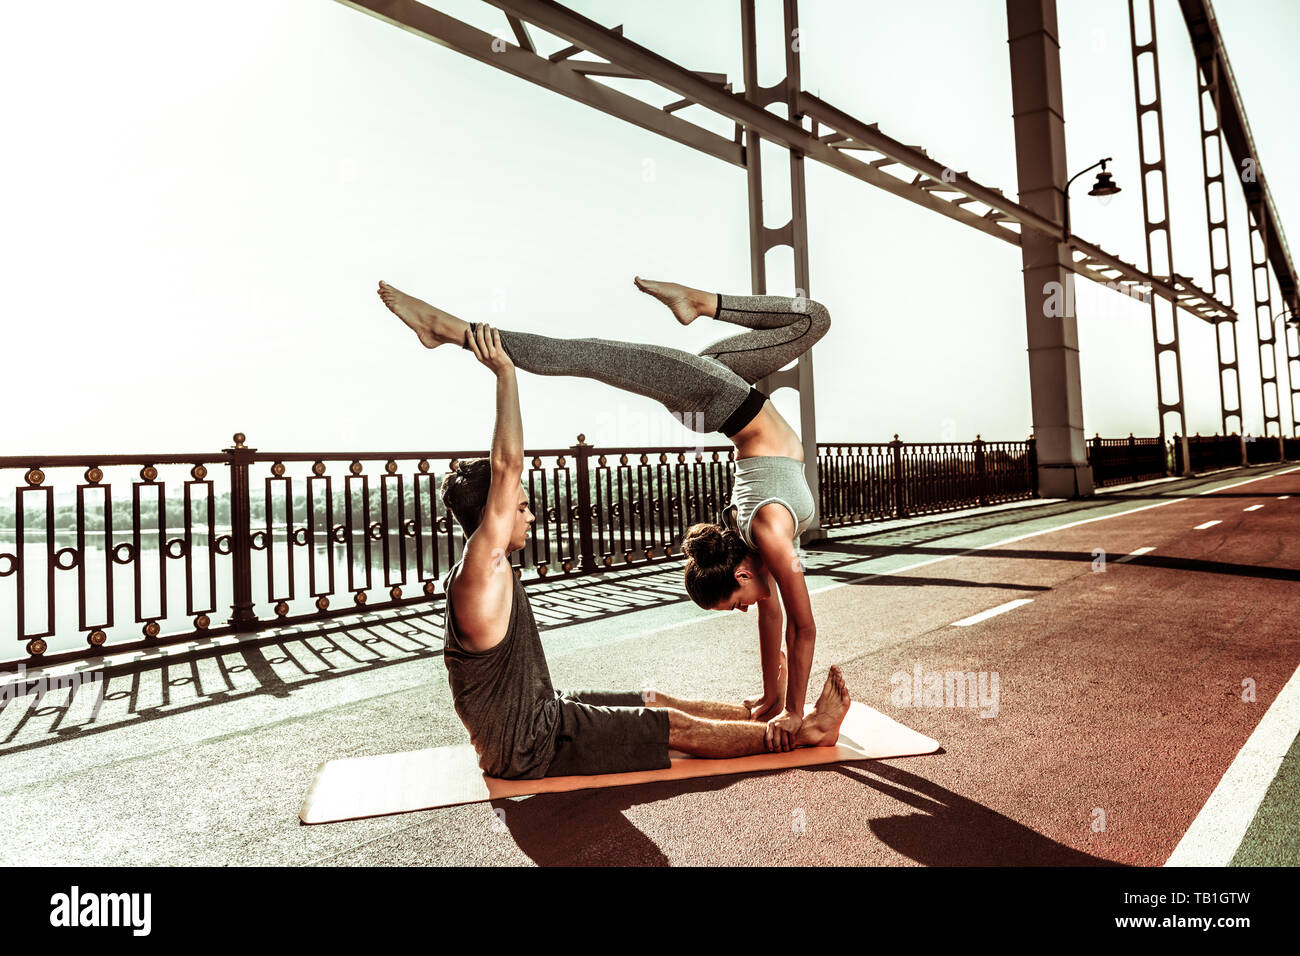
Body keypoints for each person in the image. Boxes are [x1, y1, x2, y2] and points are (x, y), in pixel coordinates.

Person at [378, 276, 832, 754]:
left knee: (597, 355)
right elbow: (794, 625)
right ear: (743, 572)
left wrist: (782, 700)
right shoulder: (766, 534)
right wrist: (788, 706)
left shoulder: (763, 541)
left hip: (721, 401)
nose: (751, 605)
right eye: (741, 603)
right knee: (807, 319)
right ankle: (449, 329)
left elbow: (777, 617)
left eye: (737, 603)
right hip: (723, 400)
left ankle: (451, 330)